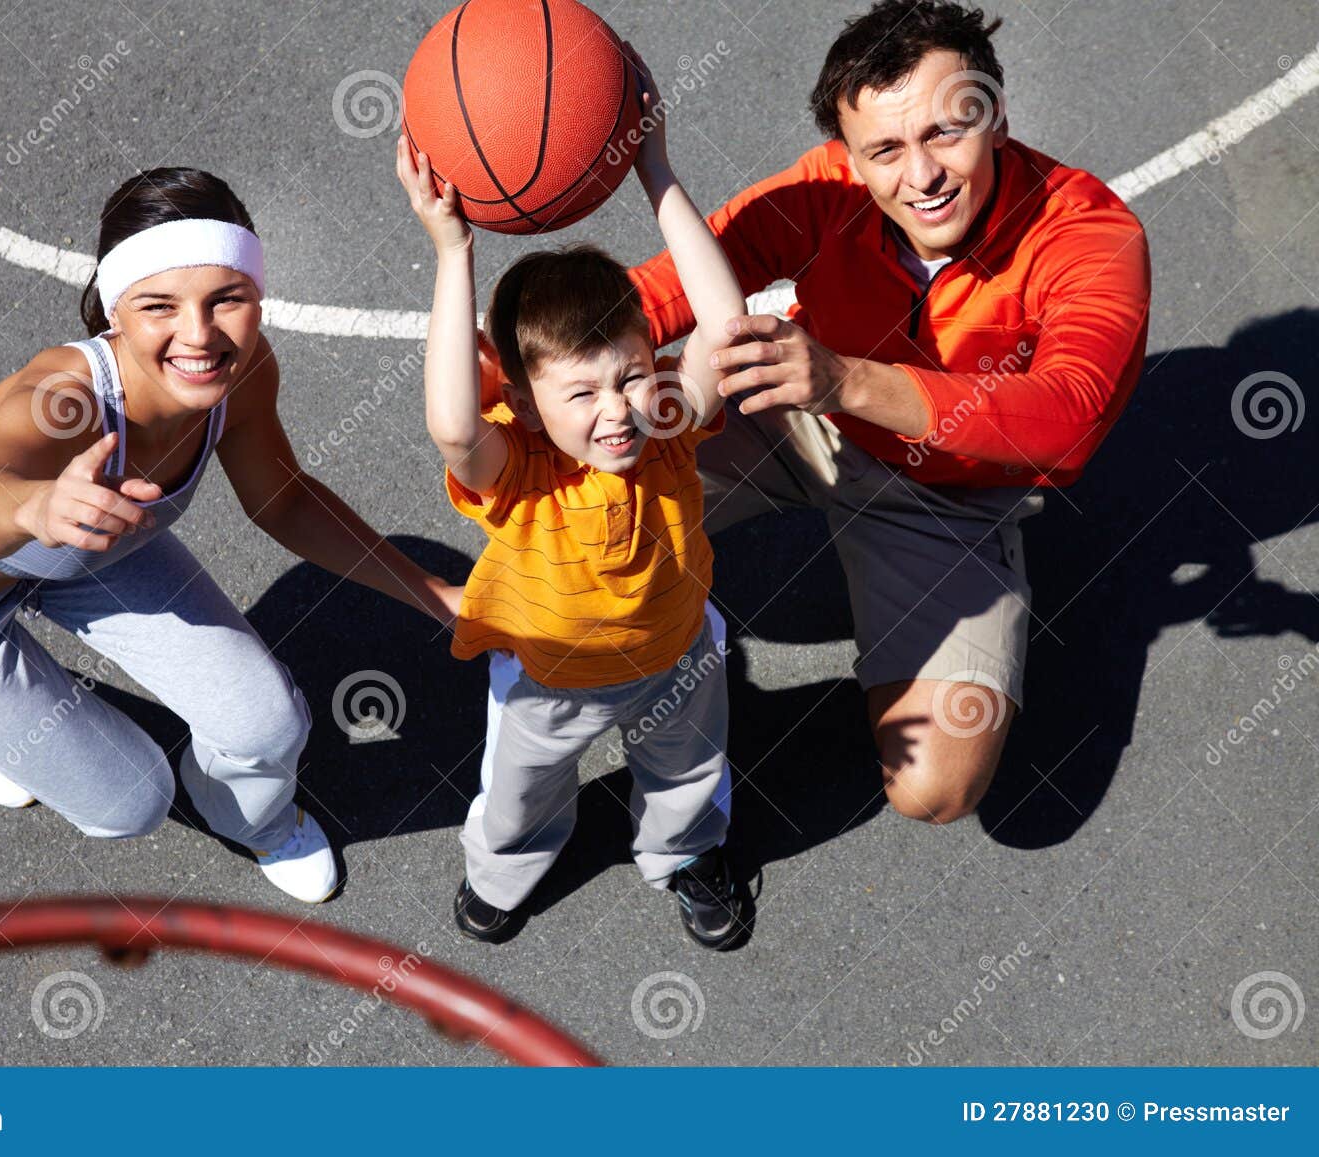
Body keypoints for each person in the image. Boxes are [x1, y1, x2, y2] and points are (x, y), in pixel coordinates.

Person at [0, 167, 461, 903]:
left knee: (268, 724)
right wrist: (34, 509)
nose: (200, 334)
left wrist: (436, 595)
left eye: (229, 300)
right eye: (161, 306)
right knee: (129, 804)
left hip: (89, 536)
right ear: (116, 310)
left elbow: (284, 501)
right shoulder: (60, 399)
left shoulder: (242, 370)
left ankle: (253, 819)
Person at [629, 0, 1151, 825]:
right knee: (603, 439)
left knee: (935, 789)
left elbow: (1070, 421)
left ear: (997, 113)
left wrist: (844, 381)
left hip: (948, 493)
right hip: (799, 417)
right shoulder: (826, 187)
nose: (922, 175)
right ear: (852, 156)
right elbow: (668, 286)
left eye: (946, 131)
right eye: (886, 150)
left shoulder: (1089, 233)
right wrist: (517, 363)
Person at [397, 53, 751, 949]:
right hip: (547, 677)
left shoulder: (667, 424)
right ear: (519, 396)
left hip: (677, 655)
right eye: (580, 394)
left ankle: (687, 854)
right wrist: (452, 252)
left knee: (688, 773)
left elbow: (726, 330)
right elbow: (449, 423)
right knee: (519, 789)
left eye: (629, 376)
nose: (617, 410)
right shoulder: (519, 469)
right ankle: (505, 864)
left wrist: (655, 168)